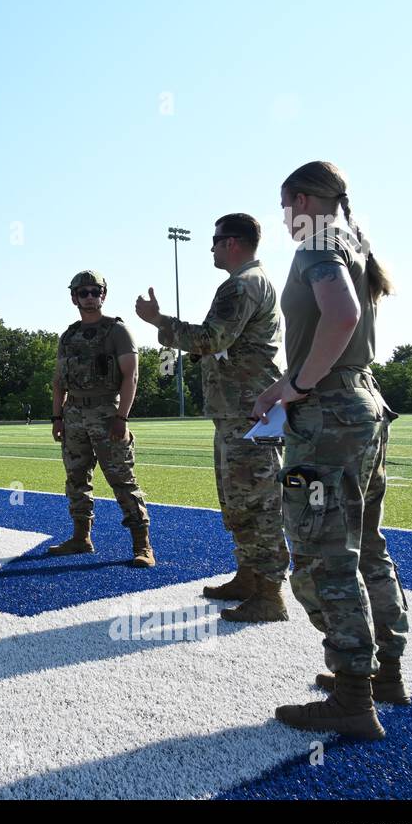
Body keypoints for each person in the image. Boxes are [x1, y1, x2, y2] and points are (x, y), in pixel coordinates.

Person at [251, 160, 411, 740]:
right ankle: (384, 674)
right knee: (368, 545)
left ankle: (352, 697)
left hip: (327, 417)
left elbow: (340, 315)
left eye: (284, 203)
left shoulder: (317, 241)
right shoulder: (353, 240)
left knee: (322, 552)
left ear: (300, 198)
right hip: (364, 404)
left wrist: (293, 387)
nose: (285, 216)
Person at [135, 214, 289, 614]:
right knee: (239, 499)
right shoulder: (250, 282)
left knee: (259, 502)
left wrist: (159, 322)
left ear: (234, 243)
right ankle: (249, 577)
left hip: (248, 411)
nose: (212, 247)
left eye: (216, 240)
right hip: (239, 410)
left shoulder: (242, 285)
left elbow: (210, 339)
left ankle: (270, 593)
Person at [48, 271, 154, 566]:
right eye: (84, 292)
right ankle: (81, 538)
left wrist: (122, 417)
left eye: (96, 291)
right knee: (76, 479)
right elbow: (59, 381)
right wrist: (57, 416)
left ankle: (142, 545)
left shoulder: (117, 331)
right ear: (74, 298)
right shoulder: (68, 336)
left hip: (107, 412)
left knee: (121, 478)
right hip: (74, 415)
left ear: (104, 295)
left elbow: (130, 376)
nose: (90, 297)